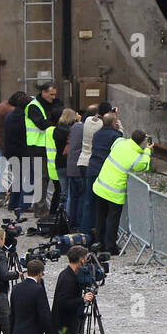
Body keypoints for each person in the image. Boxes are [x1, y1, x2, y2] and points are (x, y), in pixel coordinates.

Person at [93, 129, 152, 255]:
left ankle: (98, 243)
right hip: (114, 192)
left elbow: (119, 141)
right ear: (142, 142)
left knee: (100, 217)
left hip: (100, 185)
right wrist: (147, 150)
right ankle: (110, 247)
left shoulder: (120, 143)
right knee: (112, 220)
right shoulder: (136, 158)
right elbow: (145, 165)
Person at [76, 102, 114, 242]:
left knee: (86, 200)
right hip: (94, 164)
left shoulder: (88, 121)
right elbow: (117, 131)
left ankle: (82, 230)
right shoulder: (101, 127)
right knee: (94, 202)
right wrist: (116, 118)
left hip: (83, 162)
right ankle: (90, 233)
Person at [85, 112, 123, 246]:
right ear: (114, 123)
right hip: (106, 172)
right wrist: (119, 130)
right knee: (110, 211)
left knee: (97, 208)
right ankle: (109, 242)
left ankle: (96, 239)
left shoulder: (97, 134)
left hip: (92, 168)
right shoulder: (116, 136)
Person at [51, 246, 94, 334]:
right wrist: (82, 299)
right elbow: (63, 303)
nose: (86, 261)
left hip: (67, 323)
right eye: (85, 258)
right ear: (80, 259)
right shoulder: (68, 278)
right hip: (64, 326)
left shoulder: (70, 275)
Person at [7, 259, 55, 334]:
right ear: (40, 273)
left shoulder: (16, 288)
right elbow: (44, 316)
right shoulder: (38, 290)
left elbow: (12, 314)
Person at [24, 83, 58, 215]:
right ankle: (39, 209)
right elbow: (42, 124)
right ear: (43, 92)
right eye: (51, 94)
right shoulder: (33, 106)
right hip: (36, 147)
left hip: (46, 146)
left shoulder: (50, 104)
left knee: (44, 178)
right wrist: (54, 121)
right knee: (41, 178)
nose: (53, 97)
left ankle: (40, 206)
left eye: (55, 94)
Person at [0, 92, 32, 216]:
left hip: (10, 152)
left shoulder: (9, 116)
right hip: (22, 152)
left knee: (18, 178)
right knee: (28, 179)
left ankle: (13, 203)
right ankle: (23, 205)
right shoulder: (25, 118)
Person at [45, 108, 78, 220]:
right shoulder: (71, 131)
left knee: (63, 192)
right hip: (69, 164)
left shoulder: (56, 131)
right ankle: (67, 217)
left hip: (58, 163)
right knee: (70, 193)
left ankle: (58, 216)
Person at [64, 107, 92, 233]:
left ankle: (71, 223)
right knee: (81, 198)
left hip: (71, 166)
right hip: (80, 168)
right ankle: (79, 224)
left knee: (73, 197)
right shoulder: (85, 129)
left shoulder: (75, 127)